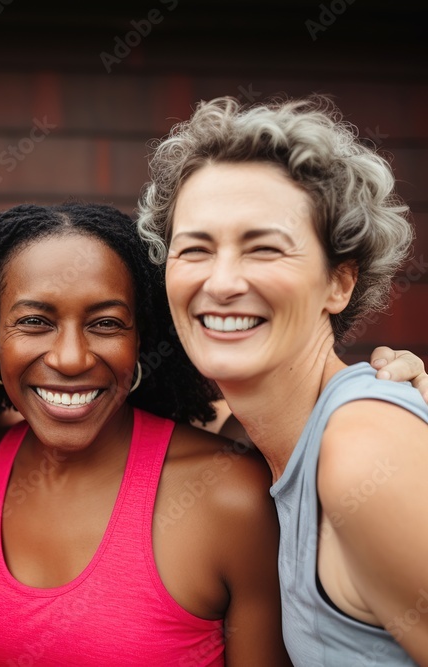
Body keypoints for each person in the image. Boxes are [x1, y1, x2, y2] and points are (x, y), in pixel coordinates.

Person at [136, 95, 428, 664]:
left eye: (264, 248)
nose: (221, 282)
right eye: (194, 248)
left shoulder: (361, 452)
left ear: (339, 284)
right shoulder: (248, 433)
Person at [0, 201, 295, 665]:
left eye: (106, 323)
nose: (71, 358)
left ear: (139, 338)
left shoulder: (230, 495)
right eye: (34, 322)